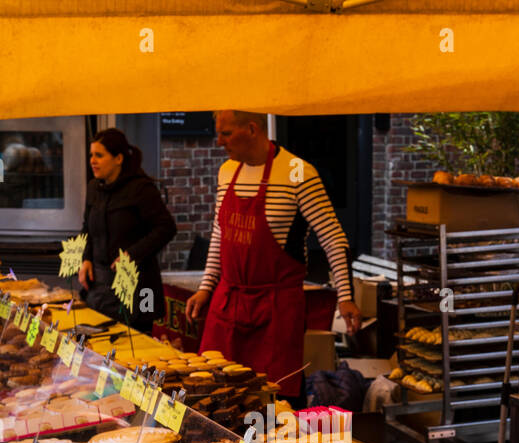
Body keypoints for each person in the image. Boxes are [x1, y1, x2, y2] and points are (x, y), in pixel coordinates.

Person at [186, 110, 361, 397]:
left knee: (273, 400)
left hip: (276, 308)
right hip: (228, 301)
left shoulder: (298, 173)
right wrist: (206, 288)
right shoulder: (227, 171)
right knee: (213, 391)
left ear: (252, 129)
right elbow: (220, 233)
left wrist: (345, 297)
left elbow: (333, 238)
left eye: (226, 133)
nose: (219, 141)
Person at [80, 128, 176, 331]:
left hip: (138, 286)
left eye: (99, 155)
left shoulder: (141, 189)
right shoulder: (93, 188)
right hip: (100, 287)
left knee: (135, 351)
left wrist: (133, 254)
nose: (92, 161)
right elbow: (87, 227)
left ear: (118, 159)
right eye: (91, 155)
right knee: (98, 353)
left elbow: (166, 228)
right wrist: (86, 258)